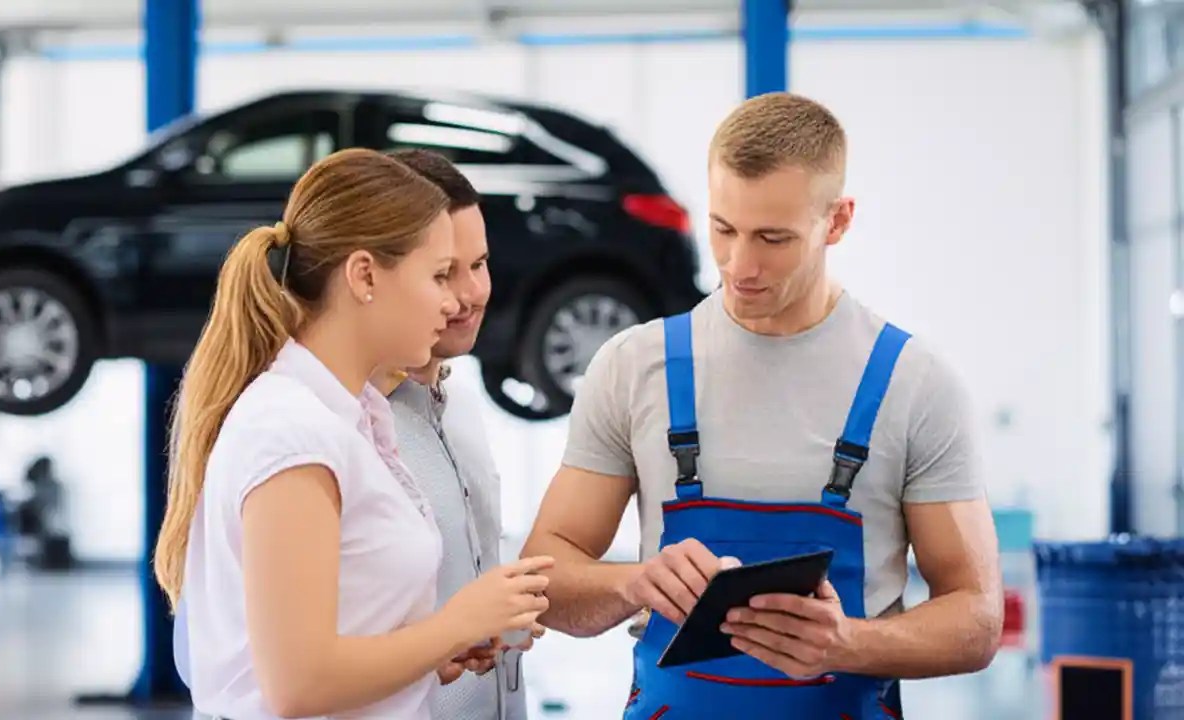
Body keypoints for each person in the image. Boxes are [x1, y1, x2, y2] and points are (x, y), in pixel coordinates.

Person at [520, 92, 1003, 719]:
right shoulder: (633, 368)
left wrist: (849, 643)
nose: (739, 266)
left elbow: (977, 614)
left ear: (838, 220)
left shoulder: (915, 383)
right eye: (724, 229)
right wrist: (631, 584)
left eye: (773, 238)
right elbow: (545, 578)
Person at [152, 148, 553, 720]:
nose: (454, 300)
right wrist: (453, 624)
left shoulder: (352, 415)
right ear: (365, 274)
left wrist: (431, 652)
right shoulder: (291, 433)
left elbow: (340, 634)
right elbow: (298, 685)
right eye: (439, 275)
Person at [370, 149, 539, 720]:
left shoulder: (460, 405)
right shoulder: (342, 429)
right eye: (445, 272)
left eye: (480, 263)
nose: (469, 295)